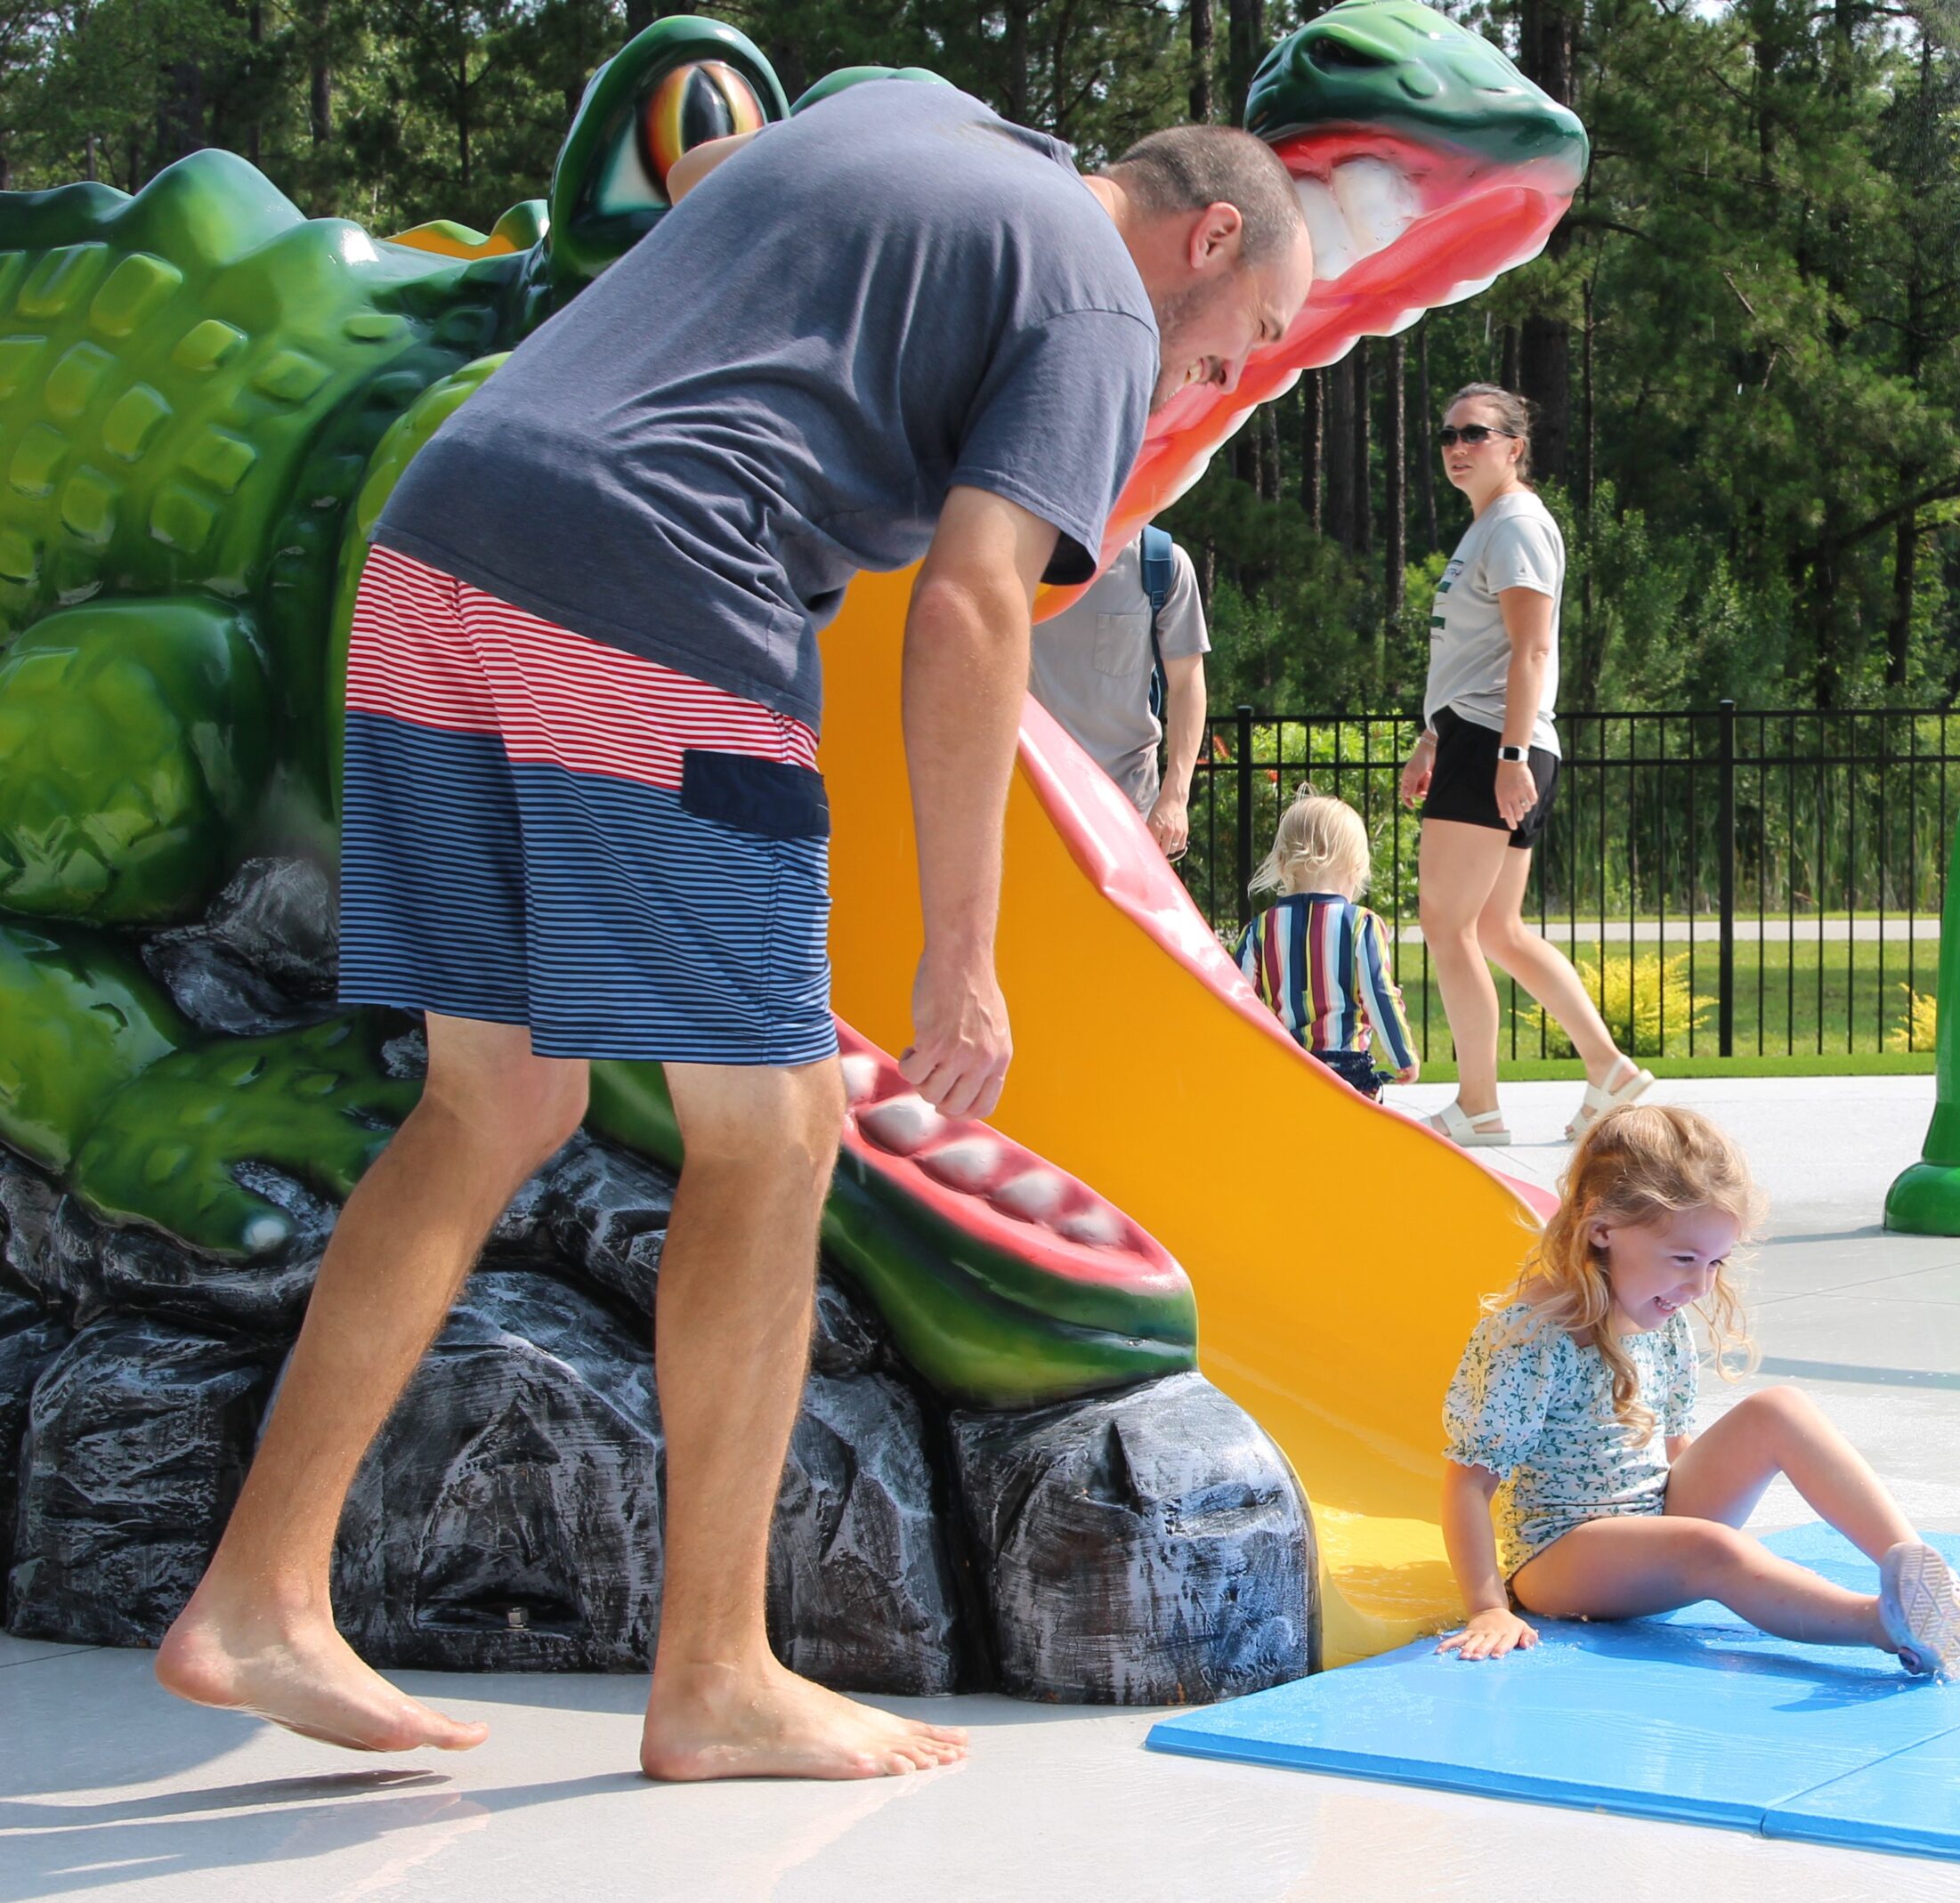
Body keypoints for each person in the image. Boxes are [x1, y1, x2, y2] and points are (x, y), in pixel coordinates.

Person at [154, 83, 1310, 1782]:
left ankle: (257, 1588)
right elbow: (978, 598)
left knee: (497, 1098)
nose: (1204, 381)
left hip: (439, 541)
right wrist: (961, 955)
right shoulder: (1091, 291)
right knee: (771, 1129)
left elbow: (712, 168)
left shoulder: (915, 116)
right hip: (655, 583)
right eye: (1238, 344)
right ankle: (714, 1671)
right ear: (1207, 238)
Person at [1437, 1105, 1960, 1676]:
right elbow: (1469, 1482)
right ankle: (1884, 1624)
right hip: (1559, 1555)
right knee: (1712, 1549)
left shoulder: (1661, 1318)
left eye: (1716, 1261)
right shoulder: (1533, 1334)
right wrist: (1489, 1607)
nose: (1700, 1284)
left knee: (1779, 1409)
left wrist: (1688, 1530)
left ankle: (1938, 1585)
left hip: (1651, 1519)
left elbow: (1676, 1455)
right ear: (1601, 1229)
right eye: (1684, 1258)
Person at [1399, 383, 1650, 1148]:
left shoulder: (1513, 524)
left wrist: (1507, 755)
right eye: (1446, 435)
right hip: (1477, 736)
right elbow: (1473, 656)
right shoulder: (1489, 528)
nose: (1456, 447)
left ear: (1514, 446)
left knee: (1445, 922)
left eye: (1474, 433)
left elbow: (1532, 649)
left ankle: (1478, 1108)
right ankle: (1609, 1069)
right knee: (1498, 929)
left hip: (1497, 741)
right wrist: (1431, 738)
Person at [1030, 530, 1210, 857]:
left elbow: (1187, 684)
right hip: (1027, 803)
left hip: (1128, 812)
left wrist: (1175, 796)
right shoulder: (1013, 552)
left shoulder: (1160, 564)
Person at [1236, 790, 1419, 1100]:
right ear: (1355, 865)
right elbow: (1379, 995)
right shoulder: (1361, 925)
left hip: (1286, 1069)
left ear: (1282, 861)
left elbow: (1238, 1001)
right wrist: (1403, 1055)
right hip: (1348, 1073)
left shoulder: (1260, 929)